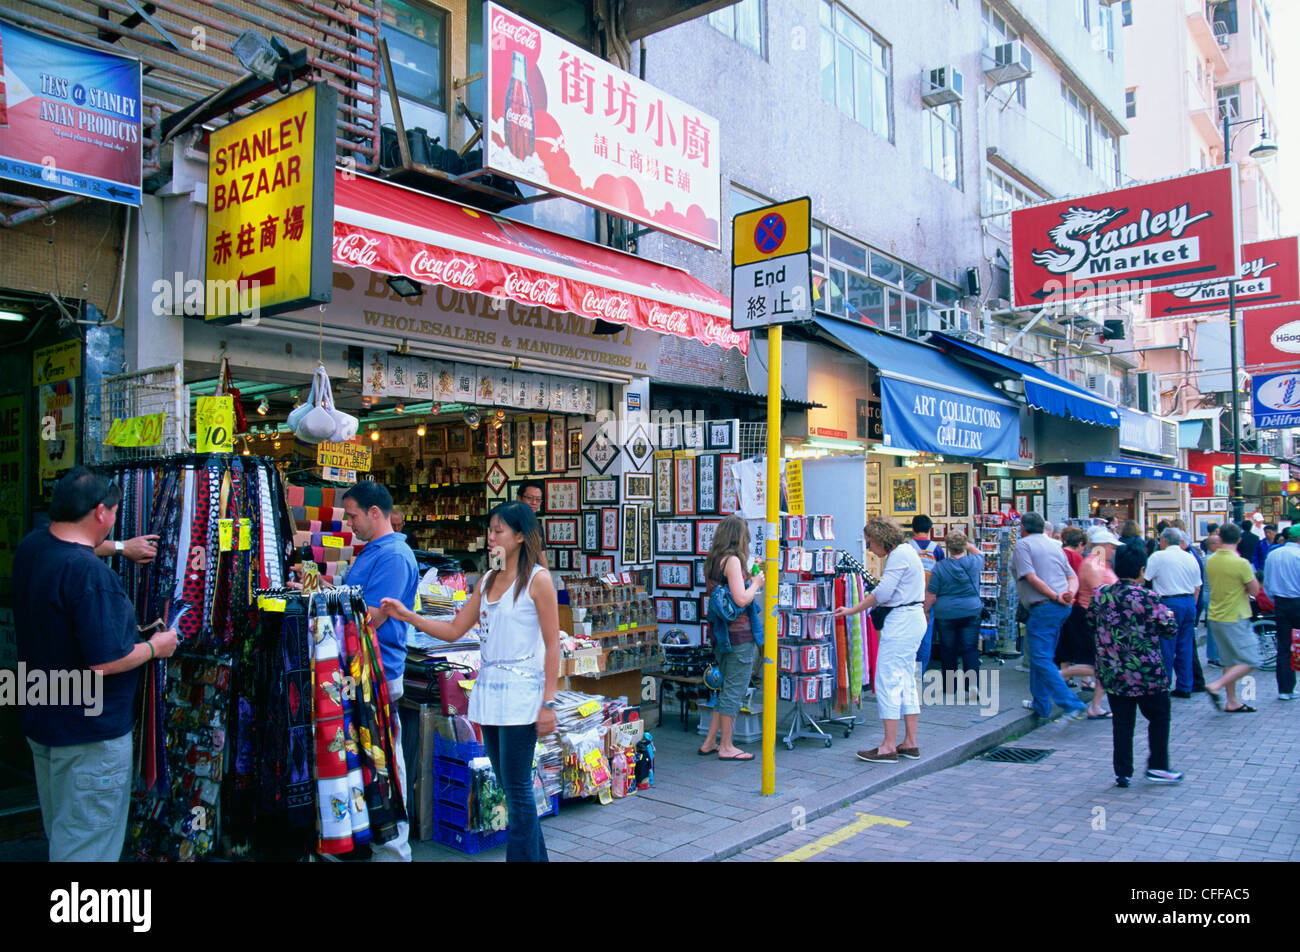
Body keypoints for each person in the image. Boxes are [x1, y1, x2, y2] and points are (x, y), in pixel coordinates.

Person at [14, 467, 179, 861]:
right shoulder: (89, 575)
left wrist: (121, 548)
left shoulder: (32, 547)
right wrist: (157, 646)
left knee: (65, 833)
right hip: (89, 733)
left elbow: (76, 547)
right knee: (86, 847)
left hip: (43, 719)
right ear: (102, 512)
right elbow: (106, 662)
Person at [383, 501, 558, 862]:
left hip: (524, 694)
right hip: (491, 690)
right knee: (513, 789)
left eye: (499, 531)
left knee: (519, 790)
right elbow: (452, 630)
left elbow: (553, 642)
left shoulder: (538, 580)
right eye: (490, 530)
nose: (491, 537)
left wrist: (548, 702)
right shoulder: (489, 579)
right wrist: (406, 616)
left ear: (521, 536)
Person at [341, 481, 419, 861]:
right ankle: (376, 839)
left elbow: (370, 616)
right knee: (373, 756)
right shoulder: (373, 551)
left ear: (375, 513)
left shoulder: (393, 556)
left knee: (386, 758)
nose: (348, 522)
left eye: (353, 515)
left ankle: (394, 847)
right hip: (363, 671)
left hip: (379, 672)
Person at [1089, 546, 1183, 787]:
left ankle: (1123, 771)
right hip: (1146, 671)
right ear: (1142, 570)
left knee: (1122, 721)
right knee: (1159, 716)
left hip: (1114, 669)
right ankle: (1158, 766)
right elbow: (1169, 629)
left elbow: (1091, 620)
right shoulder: (1148, 597)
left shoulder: (1101, 594)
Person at [835, 518, 927, 764]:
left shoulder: (898, 556)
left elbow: (883, 593)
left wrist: (853, 609)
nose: (868, 549)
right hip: (912, 618)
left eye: (869, 543)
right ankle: (909, 742)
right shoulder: (908, 552)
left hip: (902, 621)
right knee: (906, 679)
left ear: (880, 539)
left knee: (887, 680)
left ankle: (888, 745)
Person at [700, 515, 765, 761]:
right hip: (739, 636)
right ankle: (726, 746)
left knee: (725, 689)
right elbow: (741, 599)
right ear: (741, 537)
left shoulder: (715, 560)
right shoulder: (734, 560)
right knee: (734, 692)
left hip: (722, 636)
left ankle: (709, 742)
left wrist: (750, 576)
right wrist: (757, 583)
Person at [1014, 512, 1088, 721]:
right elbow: (1071, 575)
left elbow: (1030, 577)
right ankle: (1041, 703)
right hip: (1062, 607)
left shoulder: (1023, 545)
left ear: (1023, 528)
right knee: (1043, 656)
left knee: (1040, 657)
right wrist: (1069, 594)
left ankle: (1070, 703)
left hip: (1043, 606)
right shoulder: (1055, 545)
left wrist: (1055, 596)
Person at [1057, 525, 1118, 719]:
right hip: (1089, 618)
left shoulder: (1100, 564)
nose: (1114, 550)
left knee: (1104, 665)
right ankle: (1056, 678)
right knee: (1097, 665)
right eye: (1111, 546)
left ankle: (1096, 705)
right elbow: (1101, 593)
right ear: (1102, 546)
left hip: (1099, 619)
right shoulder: (1092, 564)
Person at [1204, 523, 1261, 713]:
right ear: (1239, 540)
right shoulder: (1241, 563)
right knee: (1251, 659)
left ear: (1219, 538)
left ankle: (1233, 701)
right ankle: (1216, 685)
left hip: (1215, 615)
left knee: (1228, 661)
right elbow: (1255, 590)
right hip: (1235, 616)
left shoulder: (1211, 560)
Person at [923, 531, 983, 699]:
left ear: (947, 547)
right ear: (964, 546)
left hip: (946, 613)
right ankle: (972, 686)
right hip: (971, 610)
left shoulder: (940, 567)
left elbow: (932, 594)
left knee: (948, 650)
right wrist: (968, 545)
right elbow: (979, 553)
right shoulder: (974, 562)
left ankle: (950, 687)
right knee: (970, 648)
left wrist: (926, 610)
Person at [1145, 528, 1202, 698]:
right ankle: (1185, 685)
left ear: (1164, 541)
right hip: (1189, 601)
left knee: (1166, 646)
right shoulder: (1190, 557)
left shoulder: (1158, 557)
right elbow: (1197, 587)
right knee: (1185, 646)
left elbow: (1146, 578)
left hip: (1168, 602)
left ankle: (1164, 683)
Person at [1262, 524, 1300, 701]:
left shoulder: (1273, 554)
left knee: (1284, 646)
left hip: (1281, 603)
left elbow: (1267, 582)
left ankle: (1285, 689)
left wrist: (1274, 598)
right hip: (1297, 601)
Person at [908, 515, 945, 669]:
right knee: (925, 639)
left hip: (910, 598)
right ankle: (920, 674)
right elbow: (942, 572)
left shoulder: (907, 547)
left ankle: (910, 675)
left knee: (910, 640)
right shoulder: (936, 549)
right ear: (930, 530)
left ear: (912, 529)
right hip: (930, 598)